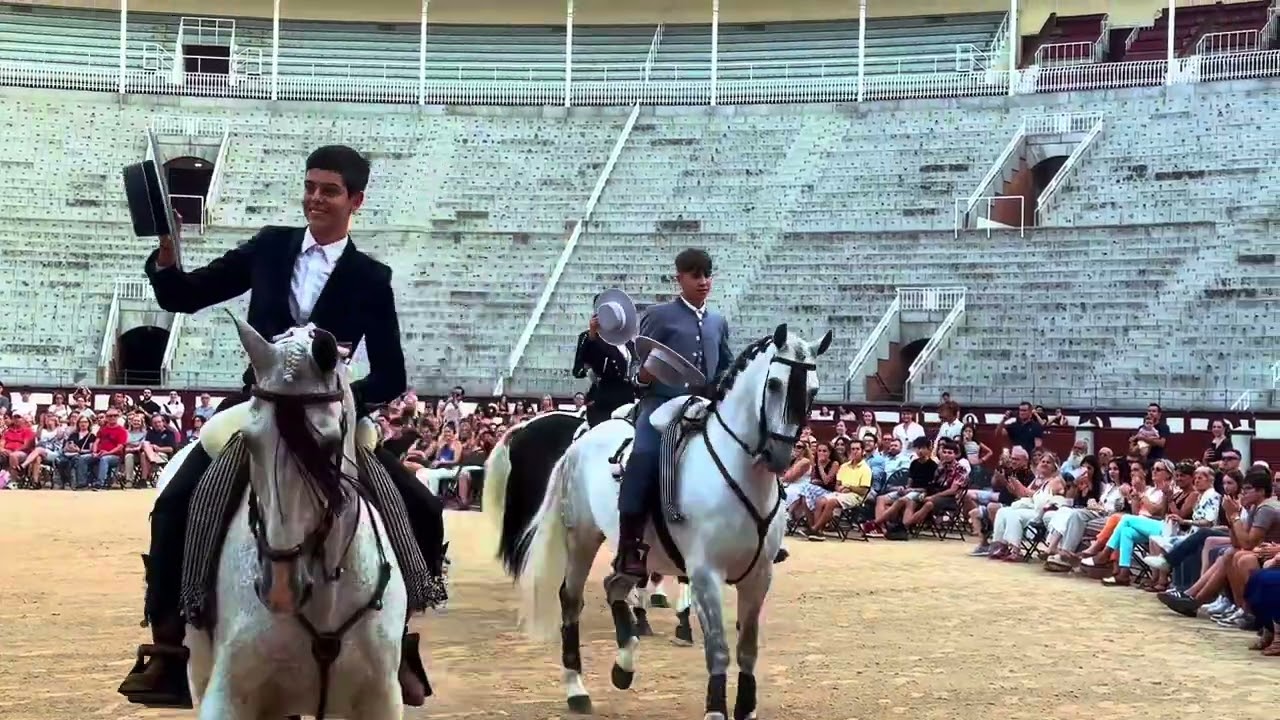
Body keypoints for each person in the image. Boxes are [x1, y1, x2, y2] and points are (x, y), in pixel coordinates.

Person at [117, 145, 444, 709]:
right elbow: (186, 296)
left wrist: (338, 403)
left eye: (330, 190)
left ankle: (400, 638)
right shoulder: (269, 246)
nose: (316, 198)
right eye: (311, 186)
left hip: (331, 417)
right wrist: (167, 259)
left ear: (355, 201)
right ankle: (169, 647)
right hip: (259, 408)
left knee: (422, 507)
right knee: (175, 502)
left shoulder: (371, 277)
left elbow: (391, 373)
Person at [612, 248, 731, 582]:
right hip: (661, 403)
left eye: (708, 275)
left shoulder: (718, 321)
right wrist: (645, 375)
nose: (704, 282)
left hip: (702, 405)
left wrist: (724, 384)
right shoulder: (659, 315)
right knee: (645, 454)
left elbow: (724, 366)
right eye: (696, 276)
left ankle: (752, 534)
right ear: (679, 278)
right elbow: (637, 367)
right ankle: (630, 543)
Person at [572, 293, 637, 427]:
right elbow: (580, 368)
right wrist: (592, 335)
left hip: (627, 396)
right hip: (604, 398)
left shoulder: (628, 341)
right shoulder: (590, 338)